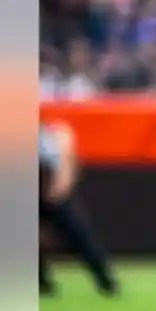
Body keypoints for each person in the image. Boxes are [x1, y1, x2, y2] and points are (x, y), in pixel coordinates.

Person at [39, 121, 119, 296]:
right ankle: (41, 284)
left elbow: (66, 161)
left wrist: (60, 186)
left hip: (52, 189)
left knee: (80, 235)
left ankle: (106, 281)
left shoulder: (54, 133)